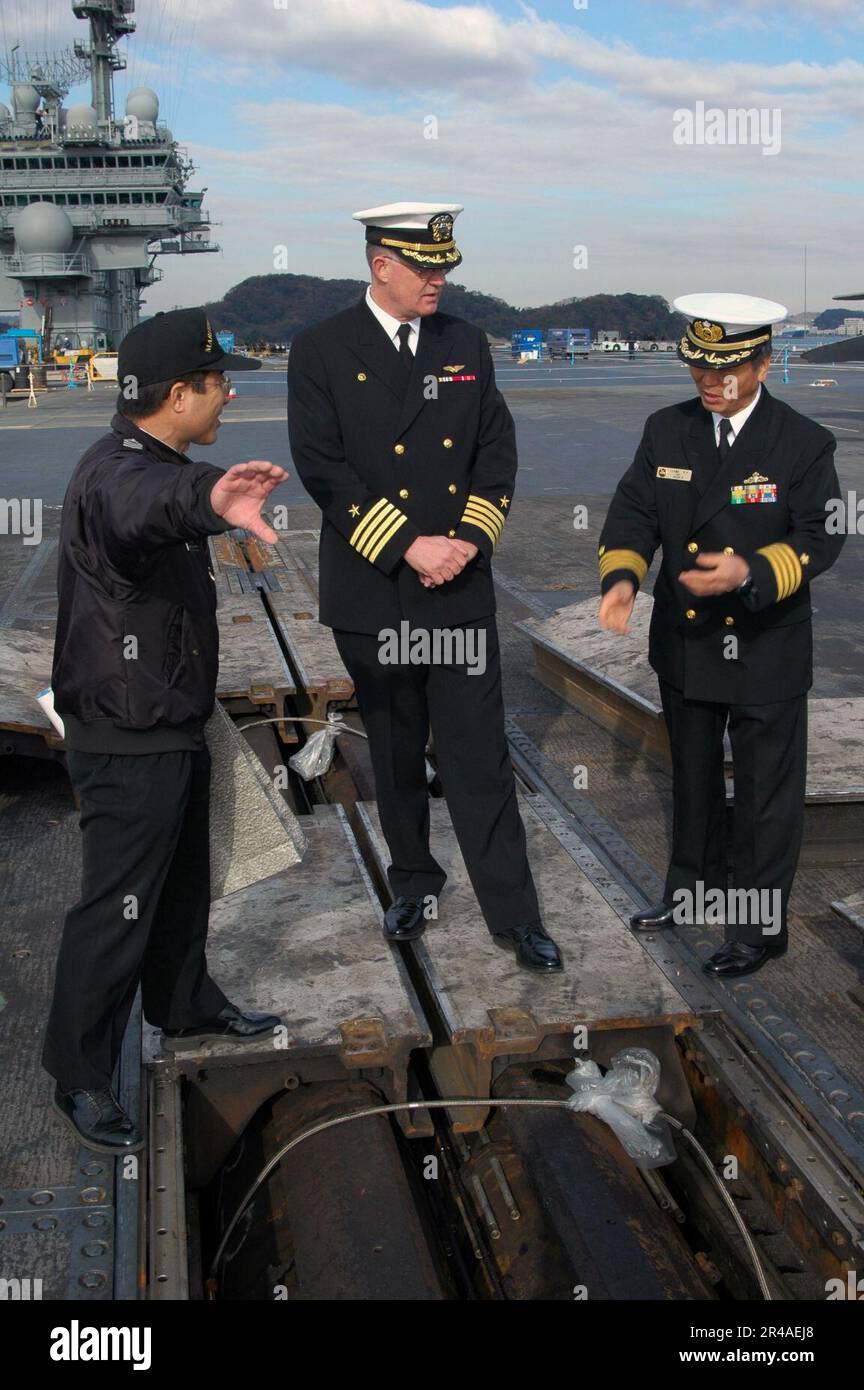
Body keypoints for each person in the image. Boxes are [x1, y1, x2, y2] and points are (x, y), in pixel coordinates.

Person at [287, 203, 561, 973]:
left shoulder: (465, 342)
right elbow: (323, 469)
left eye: (444, 267)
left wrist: (467, 541)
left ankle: (515, 914)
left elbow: (494, 451)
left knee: (479, 757)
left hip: (457, 589)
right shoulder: (320, 350)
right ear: (383, 267)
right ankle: (414, 880)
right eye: (426, 268)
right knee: (397, 747)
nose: (440, 280)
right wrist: (409, 544)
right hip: (377, 590)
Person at [44, 309, 288, 1153]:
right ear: (179, 394)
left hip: (168, 715)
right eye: (219, 384)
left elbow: (168, 498)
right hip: (127, 729)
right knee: (118, 904)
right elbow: (146, 508)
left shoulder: (155, 460)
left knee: (182, 880)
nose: (227, 397)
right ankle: (77, 1073)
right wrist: (210, 497)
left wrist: (203, 490)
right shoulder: (122, 474)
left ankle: (182, 1005)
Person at [598, 293, 845, 979]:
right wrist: (621, 578)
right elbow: (632, 514)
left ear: (763, 365)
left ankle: (759, 930)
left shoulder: (801, 442)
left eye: (726, 371)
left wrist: (751, 570)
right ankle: (693, 892)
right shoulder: (666, 431)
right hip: (687, 643)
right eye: (699, 370)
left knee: (766, 796)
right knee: (695, 781)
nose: (710, 384)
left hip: (766, 643)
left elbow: (823, 536)